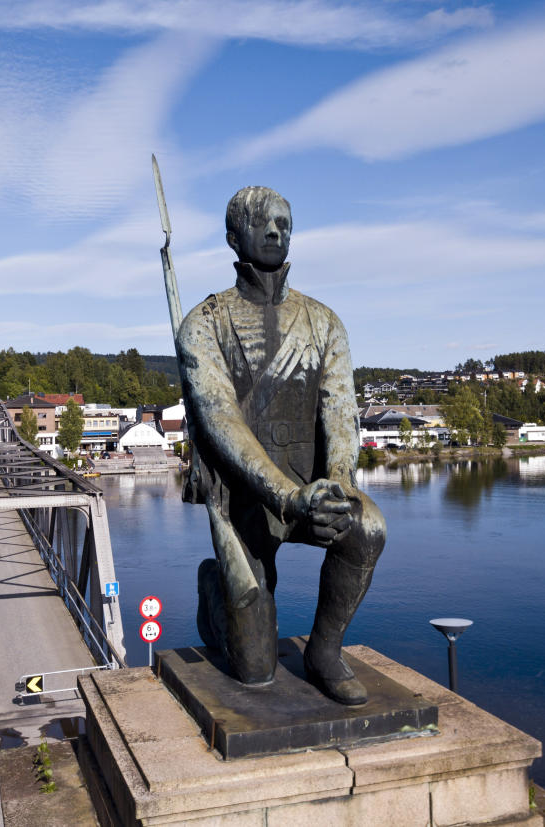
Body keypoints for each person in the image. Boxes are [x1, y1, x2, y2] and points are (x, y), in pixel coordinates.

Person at [176, 186, 386, 705]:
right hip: (244, 500)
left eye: (285, 224)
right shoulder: (204, 324)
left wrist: (339, 487)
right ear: (234, 237)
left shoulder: (324, 322)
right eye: (263, 223)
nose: (276, 232)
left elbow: (341, 416)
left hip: (309, 491)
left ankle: (325, 652)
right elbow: (221, 419)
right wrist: (286, 497)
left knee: (368, 528)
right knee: (255, 672)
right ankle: (216, 589)